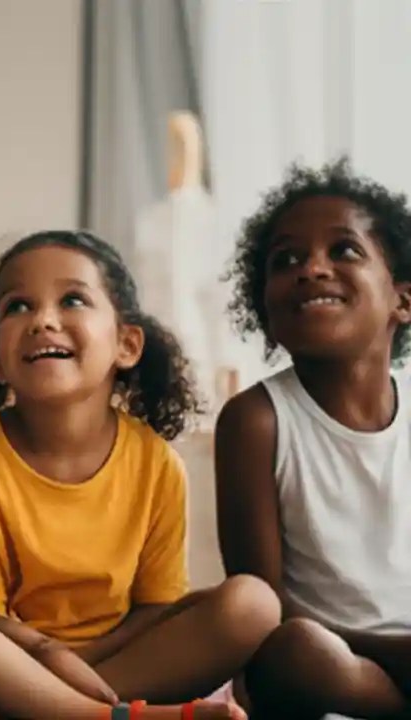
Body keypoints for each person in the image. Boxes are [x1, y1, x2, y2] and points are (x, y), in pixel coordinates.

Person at [0, 231, 281, 720]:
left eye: (72, 299)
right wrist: (47, 653)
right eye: (18, 306)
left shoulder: (156, 462)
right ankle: (95, 714)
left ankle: (52, 710)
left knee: (252, 605)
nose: (43, 319)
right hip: (8, 659)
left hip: (112, 664)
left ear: (126, 344)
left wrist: (71, 666)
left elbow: (154, 609)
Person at [215, 159, 411, 718]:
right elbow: (263, 608)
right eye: (286, 260)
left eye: (344, 250)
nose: (311, 269)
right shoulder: (256, 419)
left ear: (403, 301)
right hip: (328, 662)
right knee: (295, 653)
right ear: (266, 313)